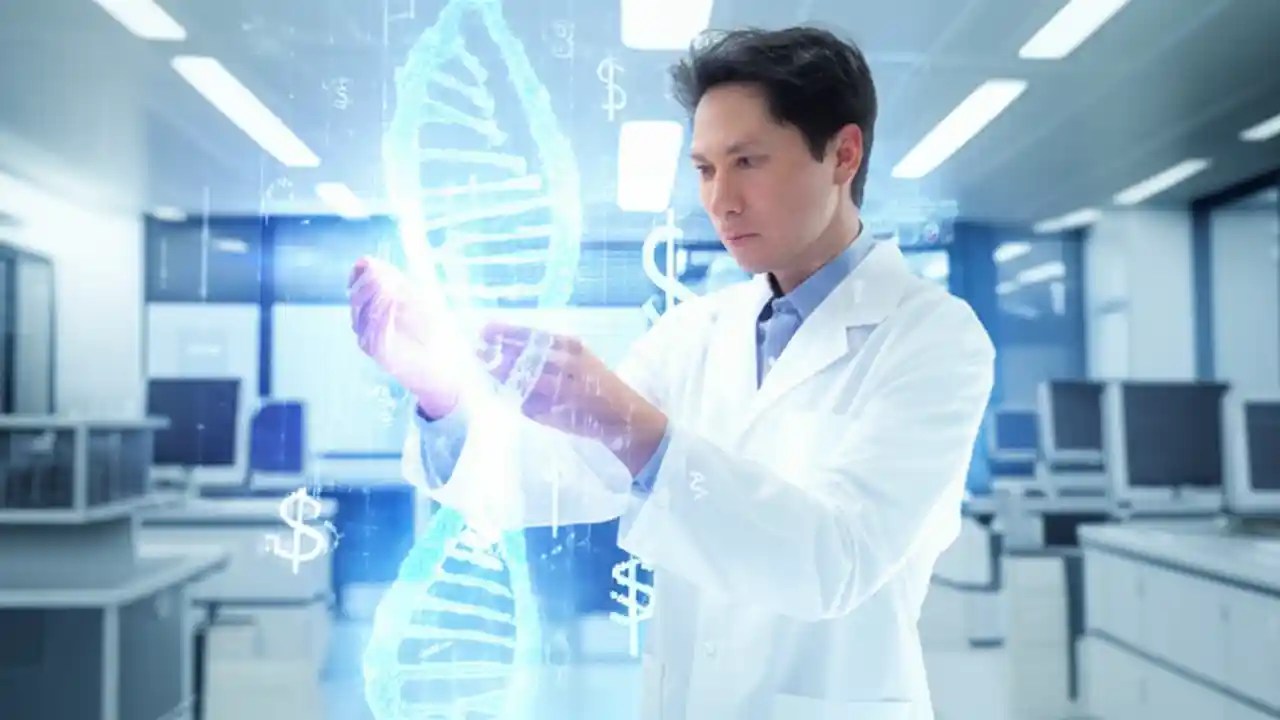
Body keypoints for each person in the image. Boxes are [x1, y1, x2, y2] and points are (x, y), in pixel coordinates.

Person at [349, 26, 994, 720]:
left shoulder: (934, 337)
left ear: (842, 155)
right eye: (706, 168)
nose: (720, 200)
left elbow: (834, 559)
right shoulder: (697, 331)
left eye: (748, 161)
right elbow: (557, 477)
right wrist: (437, 390)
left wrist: (630, 425)